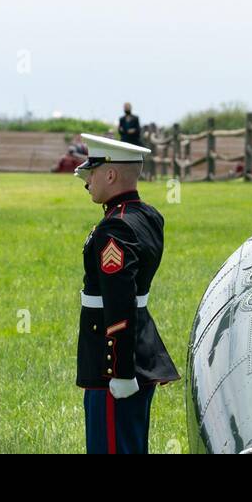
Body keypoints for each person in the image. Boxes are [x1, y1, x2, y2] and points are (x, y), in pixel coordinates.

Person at [73, 133, 179, 453]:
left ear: (110, 174)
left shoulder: (114, 227)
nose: (87, 181)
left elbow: (119, 302)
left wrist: (118, 370)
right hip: (139, 347)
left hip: (113, 362)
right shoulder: (147, 215)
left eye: (92, 173)